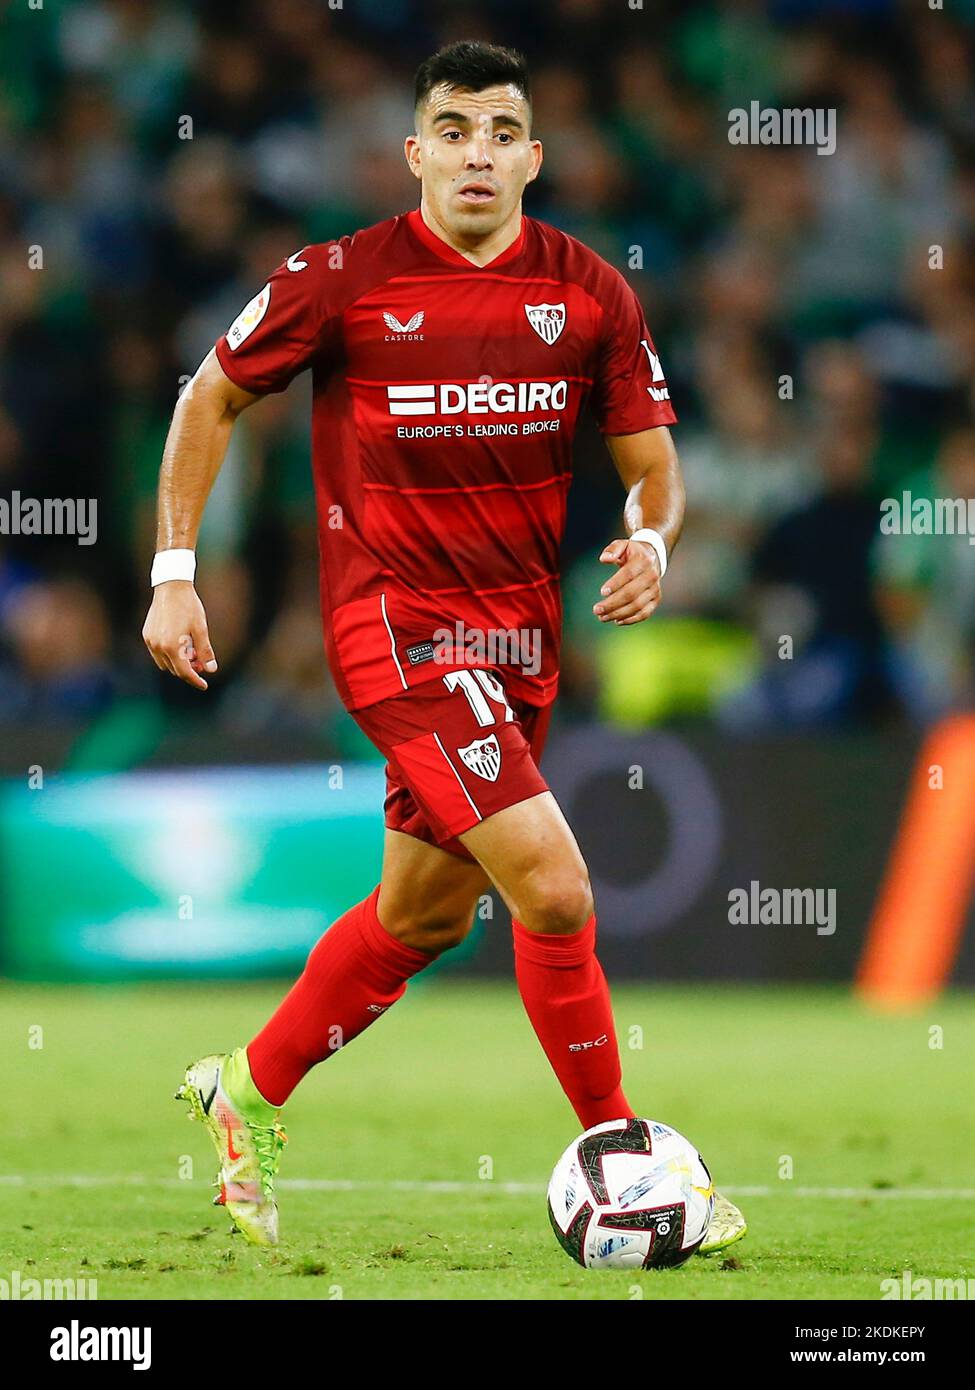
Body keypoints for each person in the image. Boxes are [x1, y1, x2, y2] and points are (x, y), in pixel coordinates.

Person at [143, 40, 745, 1256]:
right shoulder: (340, 279)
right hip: (397, 630)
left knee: (418, 917)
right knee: (558, 888)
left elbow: (653, 468)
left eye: (502, 130)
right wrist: (173, 574)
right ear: (414, 152)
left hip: (521, 646)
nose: (478, 151)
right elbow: (206, 395)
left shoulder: (590, 293)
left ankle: (244, 1090)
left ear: (534, 156)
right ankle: (622, 1156)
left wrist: (652, 542)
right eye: (454, 128)